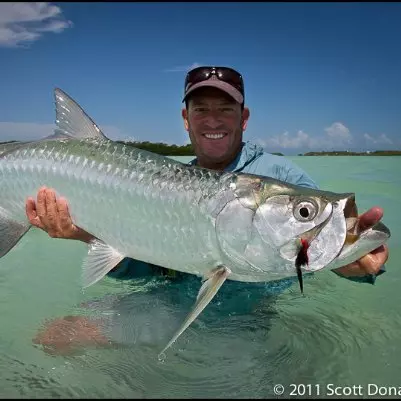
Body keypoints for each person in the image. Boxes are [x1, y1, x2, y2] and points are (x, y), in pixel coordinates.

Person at [28, 66, 389, 353]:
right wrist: (82, 233)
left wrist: (350, 265)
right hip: (171, 302)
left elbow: (309, 250)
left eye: (225, 109)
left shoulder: (281, 176)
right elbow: (143, 266)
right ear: (186, 118)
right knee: (54, 338)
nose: (212, 120)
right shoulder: (164, 180)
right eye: (201, 110)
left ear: (243, 117)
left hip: (246, 315)